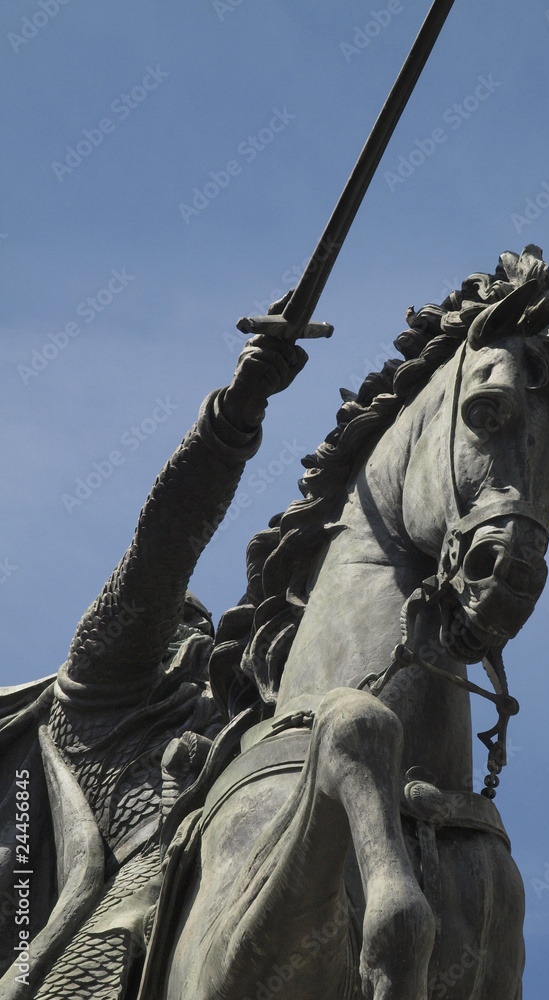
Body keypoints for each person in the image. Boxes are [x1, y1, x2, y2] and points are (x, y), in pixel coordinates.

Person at [0, 328, 307, 1000]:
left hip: (254, 831)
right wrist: (237, 412)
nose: (198, 643)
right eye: (182, 627)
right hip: (146, 865)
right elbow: (168, 532)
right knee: (117, 939)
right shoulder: (100, 680)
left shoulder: (243, 699)